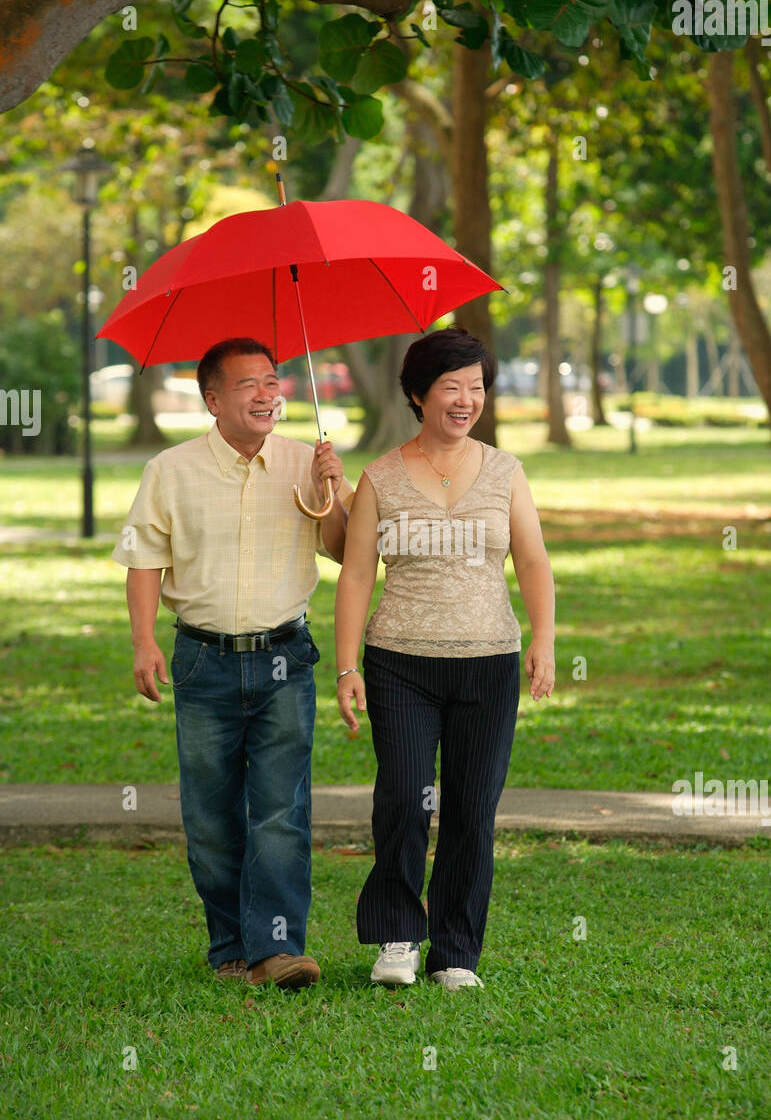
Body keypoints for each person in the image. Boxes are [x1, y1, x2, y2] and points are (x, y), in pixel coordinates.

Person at [112, 338, 352, 991]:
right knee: (212, 816)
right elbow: (142, 559)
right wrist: (144, 641)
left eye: (273, 381)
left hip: (285, 660)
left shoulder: (308, 461)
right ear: (213, 399)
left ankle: (278, 949)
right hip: (202, 661)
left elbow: (343, 550)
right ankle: (231, 948)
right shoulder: (171, 470)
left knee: (280, 809)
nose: (266, 393)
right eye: (249, 384)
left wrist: (335, 488)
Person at [334, 326, 555, 990]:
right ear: (416, 394)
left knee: (471, 808)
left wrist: (543, 638)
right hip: (399, 661)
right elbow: (353, 574)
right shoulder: (380, 476)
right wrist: (347, 667)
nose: (466, 400)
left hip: (488, 662)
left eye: (477, 387)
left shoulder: (506, 471)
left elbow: (534, 559)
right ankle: (398, 935)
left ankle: (455, 951)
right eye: (451, 387)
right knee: (403, 796)